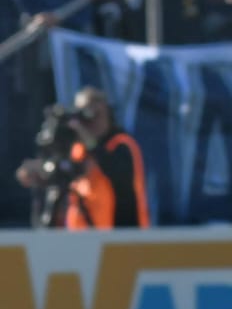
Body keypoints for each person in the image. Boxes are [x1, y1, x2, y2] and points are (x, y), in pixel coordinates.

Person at [14, 86, 149, 229]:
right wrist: (41, 172)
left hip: (121, 234)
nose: (91, 121)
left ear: (107, 112)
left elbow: (113, 169)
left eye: (96, 113)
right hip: (83, 235)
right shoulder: (78, 148)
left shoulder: (121, 144)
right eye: (84, 113)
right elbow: (63, 172)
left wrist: (84, 134)